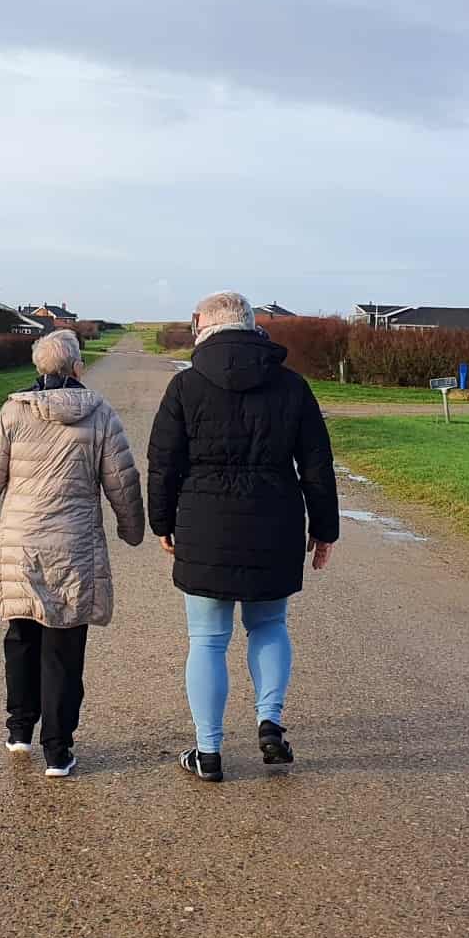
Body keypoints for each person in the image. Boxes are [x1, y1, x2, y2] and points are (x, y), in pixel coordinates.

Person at [148, 291, 338, 781]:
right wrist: (324, 530)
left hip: (203, 523)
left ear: (204, 328)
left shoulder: (185, 387)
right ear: (252, 326)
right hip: (273, 520)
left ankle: (208, 752)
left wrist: (162, 522)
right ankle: (269, 723)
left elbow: (163, 463)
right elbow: (316, 464)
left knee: (207, 639)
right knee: (269, 626)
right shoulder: (292, 386)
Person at [0, 328, 145, 778]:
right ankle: (57, 750)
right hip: (73, 548)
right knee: (63, 647)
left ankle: (20, 729)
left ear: (39, 369)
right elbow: (122, 480)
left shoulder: (13, 413)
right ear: (77, 367)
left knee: (20, 635)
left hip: (21, 546)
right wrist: (132, 527)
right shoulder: (99, 416)